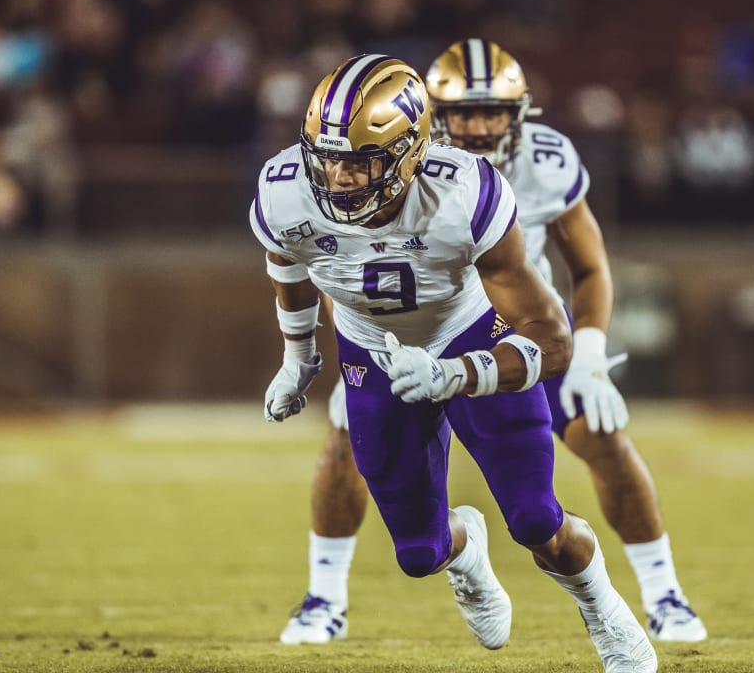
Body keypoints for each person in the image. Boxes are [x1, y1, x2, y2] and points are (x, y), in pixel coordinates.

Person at [278, 38, 706, 647]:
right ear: (433, 120)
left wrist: (587, 353)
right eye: (465, 115)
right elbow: (341, 267)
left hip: (511, 328)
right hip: (394, 341)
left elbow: (586, 268)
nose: (479, 128)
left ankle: (661, 595)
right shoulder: (340, 178)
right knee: (373, 484)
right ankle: (327, 597)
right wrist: (343, 351)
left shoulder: (514, 171)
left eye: (493, 113)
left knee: (582, 461)